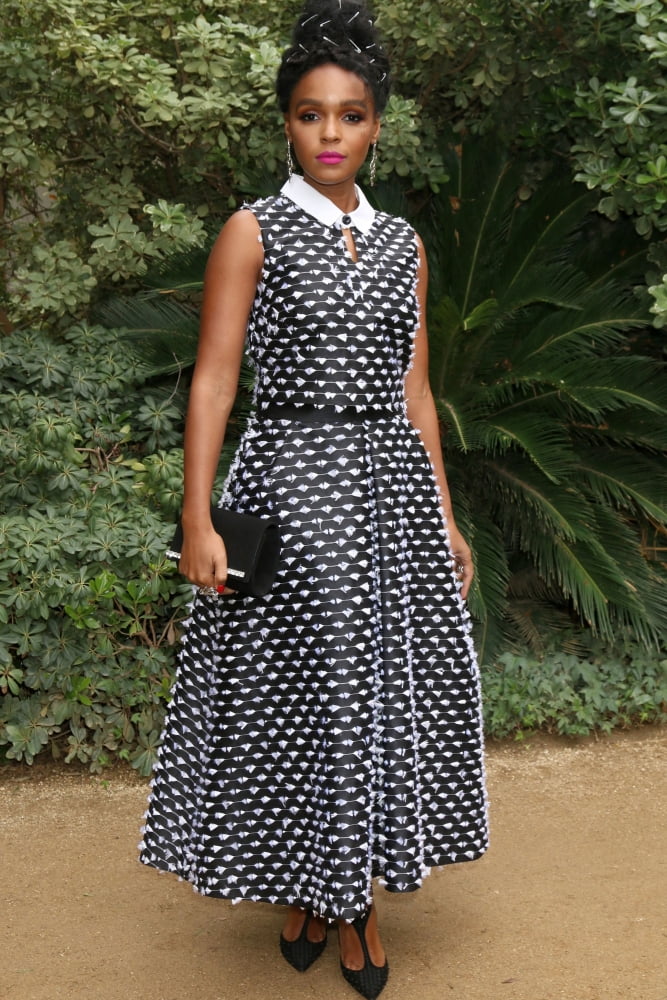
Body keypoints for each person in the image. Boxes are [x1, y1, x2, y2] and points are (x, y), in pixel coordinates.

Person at [139, 2, 489, 997]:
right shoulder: (251, 230)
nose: (330, 134)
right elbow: (212, 380)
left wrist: (447, 513)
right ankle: (316, 886)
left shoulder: (404, 245)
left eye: (350, 115)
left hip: (389, 500)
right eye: (309, 114)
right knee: (295, 700)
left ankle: (351, 899)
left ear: (377, 125)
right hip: (285, 490)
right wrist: (196, 517)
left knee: (375, 695)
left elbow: (417, 391)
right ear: (285, 124)